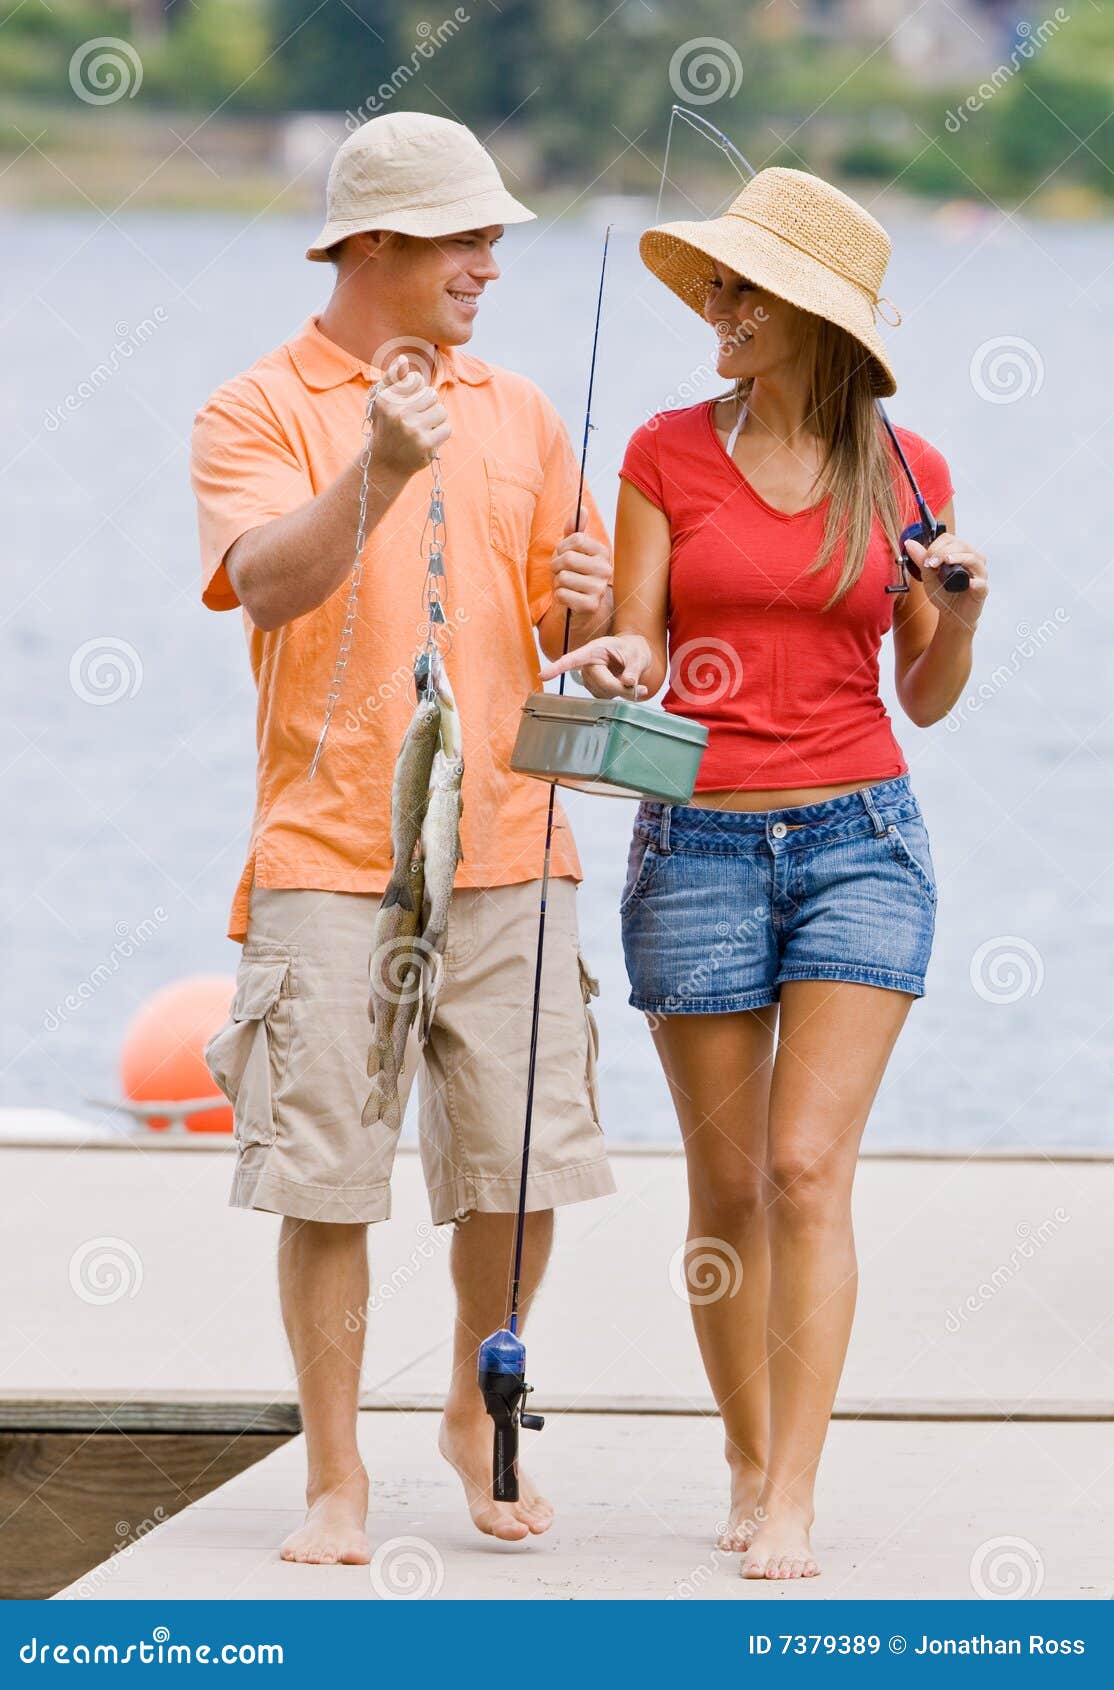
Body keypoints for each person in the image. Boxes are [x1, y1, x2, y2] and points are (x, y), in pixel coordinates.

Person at [544, 168, 988, 1580]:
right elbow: (643, 650)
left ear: (809, 316)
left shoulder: (909, 473)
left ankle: (793, 1488)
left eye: (741, 291)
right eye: (716, 287)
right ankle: (742, 1450)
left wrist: (961, 618)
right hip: (700, 843)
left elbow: (924, 695)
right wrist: (616, 656)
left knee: (807, 1168)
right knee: (727, 1185)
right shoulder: (667, 453)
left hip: (861, 835)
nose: (717, 310)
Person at [191, 112, 616, 1566]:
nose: (490, 263)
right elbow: (262, 584)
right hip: (324, 857)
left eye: (494, 236)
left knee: (518, 1170)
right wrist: (371, 467)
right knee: (324, 1178)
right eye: (463, 237)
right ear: (370, 247)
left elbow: (573, 632)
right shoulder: (255, 407)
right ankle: (334, 1476)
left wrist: (598, 620)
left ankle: (465, 1406)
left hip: (513, 847)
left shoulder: (524, 408)